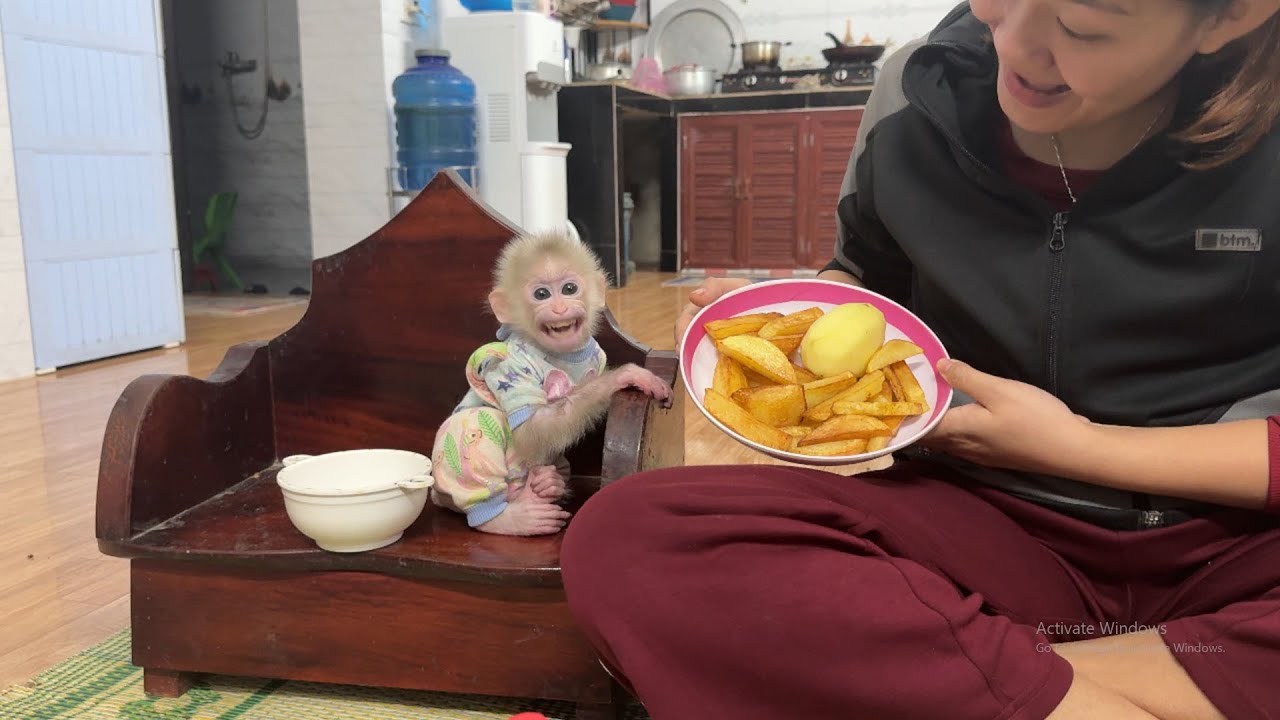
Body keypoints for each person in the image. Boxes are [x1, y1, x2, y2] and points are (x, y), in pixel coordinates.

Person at [559, 0, 1280, 718]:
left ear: (1232, 16)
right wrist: (790, 313)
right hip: (988, 523)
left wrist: (1080, 448)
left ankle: (995, 672)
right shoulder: (920, 89)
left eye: (1082, 26)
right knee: (630, 541)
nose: (1016, 46)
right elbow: (867, 280)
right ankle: (1127, 682)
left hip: (1233, 544)